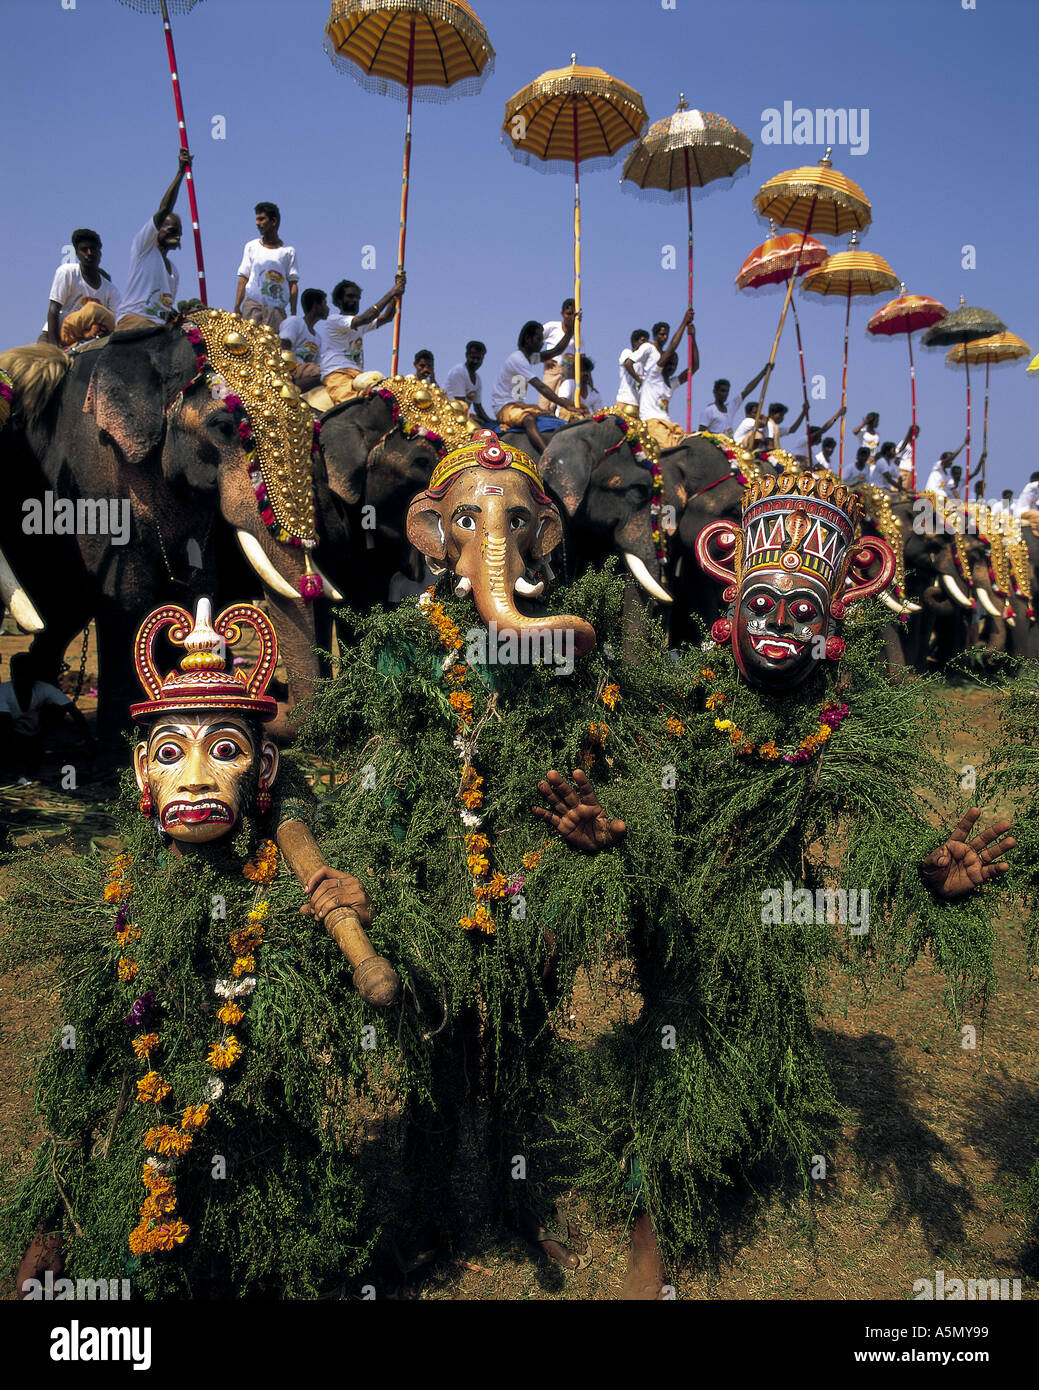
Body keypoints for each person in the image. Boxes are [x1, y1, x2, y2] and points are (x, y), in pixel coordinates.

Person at [116, 150, 192, 329]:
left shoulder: (174, 271)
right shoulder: (144, 248)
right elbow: (164, 209)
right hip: (135, 320)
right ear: (158, 230)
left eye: (180, 232)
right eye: (172, 230)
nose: (178, 236)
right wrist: (180, 173)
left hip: (159, 326)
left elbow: (164, 309)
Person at [490, 320, 585, 453]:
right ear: (528, 339)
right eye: (539, 339)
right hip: (505, 407)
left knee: (549, 416)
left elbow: (556, 351)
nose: (542, 343)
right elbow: (542, 387)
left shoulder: (529, 358)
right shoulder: (518, 359)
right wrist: (564, 405)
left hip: (518, 404)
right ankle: (547, 455)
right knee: (529, 419)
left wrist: (569, 331)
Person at [0, 652, 93, 785]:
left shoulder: (43, 688)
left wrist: (89, 740)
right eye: (21, 672)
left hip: (28, 731)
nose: (25, 676)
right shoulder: (3, 691)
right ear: (13, 673)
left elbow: (73, 711)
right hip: (9, 733)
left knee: (55, 710)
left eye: (29, 671)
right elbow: (4, 725)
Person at [317, 273, 405, 404]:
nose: (355, 300)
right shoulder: (335, 320)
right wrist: (392, 292)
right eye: (350, 296)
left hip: (359, 375)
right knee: (352, 405)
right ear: (339, 301)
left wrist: (397, 293)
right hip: (337, 374)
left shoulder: (360, 325)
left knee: (385, 399)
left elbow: (387, 317)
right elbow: (366, 318)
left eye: (357, 297)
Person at [43, 229, 120, 348]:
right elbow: (53, 310)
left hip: (89, 342)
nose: (89, 253)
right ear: (77, 254)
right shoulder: (68, 273)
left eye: (93, 249)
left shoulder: (110, 290)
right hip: (55, 337)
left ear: (100, 253)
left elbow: (115, 322)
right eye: (84, 250)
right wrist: (55, 349)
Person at [233, 202, 300, 328]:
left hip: (276, 311)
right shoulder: (252, 246)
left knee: (273, 345)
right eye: (257, 219)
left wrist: (293, 313)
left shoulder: (288, 252)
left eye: (262, 219)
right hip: (253, 306)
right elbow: (243, 278)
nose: (258, 223)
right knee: (248, 344)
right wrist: (237, 306)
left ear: (273, 221)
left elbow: (293, 284)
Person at [639, 311, 697, 449]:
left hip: (669, 426)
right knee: (672, 451)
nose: (671, 366)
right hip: (652, 423)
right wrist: (684, 322)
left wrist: (693, 337)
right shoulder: (653, 374)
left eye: (674, 364)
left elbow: (694, 367)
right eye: (669, 363)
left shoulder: (671, 384)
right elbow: (671, 348)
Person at [279, 288, 327, 392]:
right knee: (324, 373)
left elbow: (318, 362)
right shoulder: (295, 322)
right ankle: (290, 388)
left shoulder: (317, 337)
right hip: (291, 370)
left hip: (307, 371)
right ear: (316, 306)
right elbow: (282, 349)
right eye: (324, 304)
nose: (327, 308)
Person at [697, 366, 768, 435]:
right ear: (715, 392)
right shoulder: (709, 410)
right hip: (714, 444)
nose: (724, 394)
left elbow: (747, 391)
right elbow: (701, 432)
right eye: (722, 391)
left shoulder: (731, 407)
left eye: (726, 391)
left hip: (729, 444)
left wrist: (763, 373)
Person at [444, 341, 491, 425]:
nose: (475, 361)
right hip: (449, 415)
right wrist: (472, 418)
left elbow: (478, 408)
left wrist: (492, 421)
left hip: (463, 415)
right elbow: (459, 404)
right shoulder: (459, 371)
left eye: (478, 358)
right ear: (467, 356)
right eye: (473, 357)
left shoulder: (478, 379)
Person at [616, 330, 654, 413]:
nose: (646, 345)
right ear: (635, 342)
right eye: (643, 341)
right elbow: (627, 364)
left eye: (647, 341)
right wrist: (639, 379)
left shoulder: (645, 362)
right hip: (624, 401)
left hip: (639, 405)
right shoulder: (627, 353)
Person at [557, 356, 602, 420]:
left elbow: (599, 413)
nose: (586, 374)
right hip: (564, 420)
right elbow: (561, 400)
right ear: (575, 372)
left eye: (587, 371)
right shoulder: (569, 384)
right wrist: (581, 407)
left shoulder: (594, 393)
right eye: (582, 371)